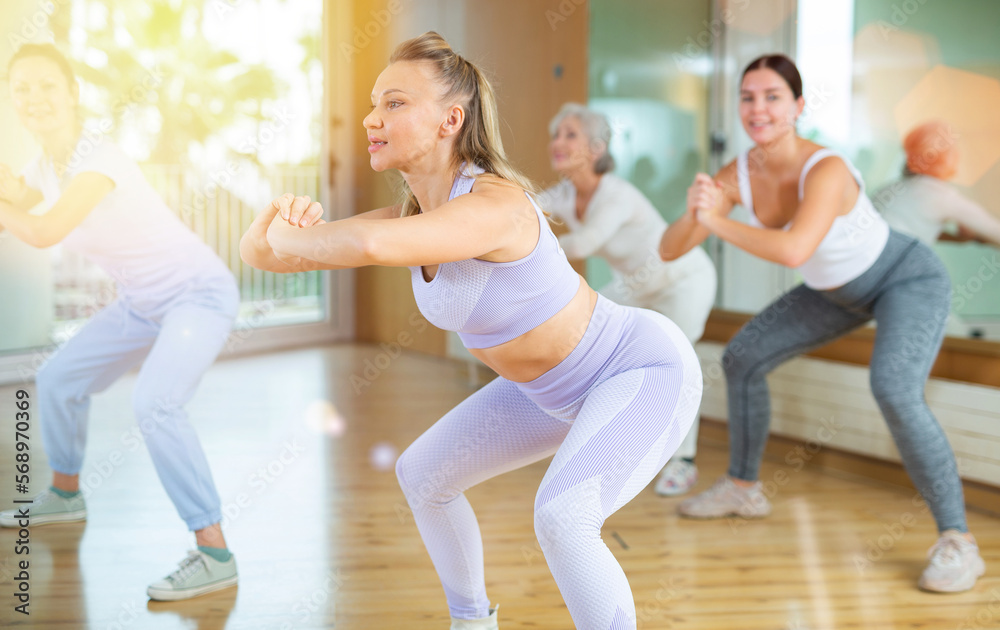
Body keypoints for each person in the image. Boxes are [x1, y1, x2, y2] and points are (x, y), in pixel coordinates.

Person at [240, 32, 702, 629]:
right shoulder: (415, 216)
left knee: (563, 517)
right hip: (548, 391)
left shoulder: (495, 204)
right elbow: (271, 257)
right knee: (424, 475)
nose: (371, 117)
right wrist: (270, 226)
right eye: (376, 103)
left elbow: (365, 244)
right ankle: (472, 621)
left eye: (396, 103)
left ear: (449, 120)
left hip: (636, 369)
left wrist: (292, 240)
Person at [659, 54, 985, 593]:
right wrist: (697, 210)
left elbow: (793, 250)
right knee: (741, 358)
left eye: (772, 97)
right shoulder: (739, 171)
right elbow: (669, 251)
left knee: (895, 388)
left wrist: (716, 220)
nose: (758, 108)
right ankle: (743, 487)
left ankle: (958, 542)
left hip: (905, 278)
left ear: (798, 106)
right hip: (835, 293)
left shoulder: (826, 167)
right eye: (747, 97)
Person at [0, 43, 241, 601]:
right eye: (22, 89)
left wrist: (13, 204)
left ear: (72, 93)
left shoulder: (98, 157)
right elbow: (22, 208)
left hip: (196, 294)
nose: (35, 98)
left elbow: (42, 230)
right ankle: (65, 494)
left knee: (155, 403)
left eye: (46, 86)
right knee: (60, 378)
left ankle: (214, 551)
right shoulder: (44, 167)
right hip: (141, 302)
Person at [538, 103, 716, 496]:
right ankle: (603, 447)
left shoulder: (616, 194)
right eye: (556, 134)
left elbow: (585, 242)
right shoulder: (567, 192)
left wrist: (525, 246)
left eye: (570, 135)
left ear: (597, 148)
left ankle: (682, 462)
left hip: (683, 279)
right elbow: (528, 209)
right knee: (593, 345)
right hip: (636, 286)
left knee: (677, 366)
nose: (558, 143)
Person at [872, 119, 1000, 247]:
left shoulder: (888, 190)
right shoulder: (942, 197)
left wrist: (958, 239)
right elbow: (995, 233)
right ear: (949, 158)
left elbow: (912, 229)